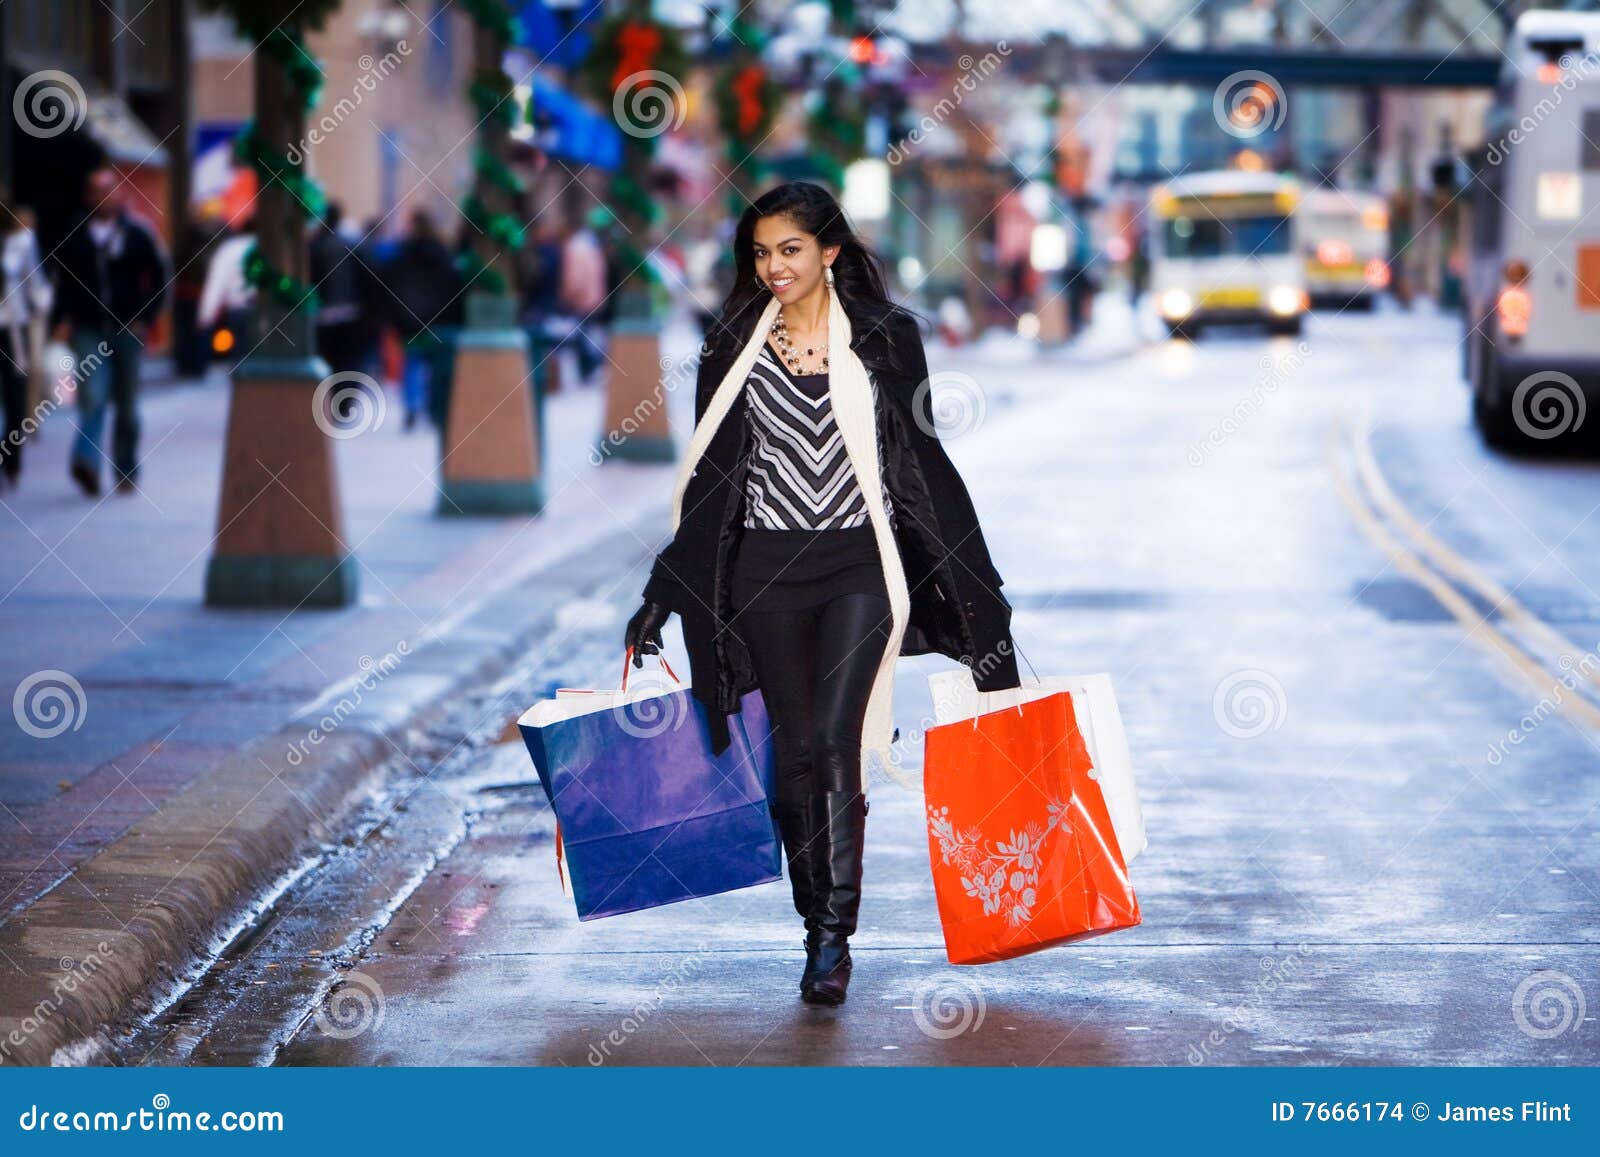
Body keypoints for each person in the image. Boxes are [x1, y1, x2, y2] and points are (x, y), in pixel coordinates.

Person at [623, 181, 1020, 1007]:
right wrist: (665, 590)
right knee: (794, 746)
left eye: (791, 249)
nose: (773, 266)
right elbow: (711, 483)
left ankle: (832, 940)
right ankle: (814, 917)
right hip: (764, 572)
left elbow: (922, 462)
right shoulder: (732, 339)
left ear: (830, 251)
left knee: (837, 739)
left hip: (860, 569)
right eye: (761, 252)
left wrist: (980, 592)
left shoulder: (885, 338)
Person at [48, 167, 171, 495]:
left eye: (109, 189)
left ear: (120, 194)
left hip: (128, 329)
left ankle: (126, 466)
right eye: (96, 190)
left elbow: (161, 277)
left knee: (128, 404)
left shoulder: (138, 233)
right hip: (88, 328)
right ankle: (86, 462)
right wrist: (60, 320)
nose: (103, 197)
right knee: (93, 395)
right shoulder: (76, 233)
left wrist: (146, 316)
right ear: (89, 196)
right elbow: (64, 281)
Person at [384, 208, 461, 430]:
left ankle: (412, 406)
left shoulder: (402, 255)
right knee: (436, 364)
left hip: (409, 319)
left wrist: (396, 315)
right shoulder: (444, 254)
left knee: (413, 363)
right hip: (439, 318)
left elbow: (392, 287)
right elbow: (453, 287)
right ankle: (433, 407)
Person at [0, 192, 53, 489]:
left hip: (11, 329)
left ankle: (11, 460)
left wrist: (40, 314)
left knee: (15, 396)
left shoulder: (20, 242)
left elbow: (35, 283)